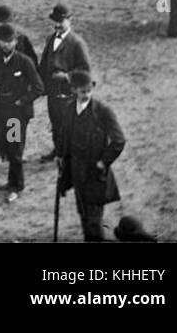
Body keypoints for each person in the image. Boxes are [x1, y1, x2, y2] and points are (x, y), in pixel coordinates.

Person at [57, 70, 125, 241]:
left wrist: (103, 162)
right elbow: (64, 135)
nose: (86, 94)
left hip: (95, 172)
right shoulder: (68, 109)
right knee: (83, 212)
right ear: (73, 90)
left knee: (94, 218)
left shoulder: (102, 111)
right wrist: (61, 156)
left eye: (89, 90)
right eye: (82, 91)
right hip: (75, 169)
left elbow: (119, 140)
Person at [0, 24, 44, 201]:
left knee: (15, 150)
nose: (6, 45)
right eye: (3, 41)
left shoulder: (24, 62)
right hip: (0, 112)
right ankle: (11, 181)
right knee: (7, 148)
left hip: (15, 116)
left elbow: (38, 88)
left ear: (16, 41)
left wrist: (21, 101)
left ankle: (17, 186)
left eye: (9, 41)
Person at [37, 4, 90, 161]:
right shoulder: (51, 39)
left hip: (69, 93)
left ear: (70, 20)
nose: (58, 25)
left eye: (61, 21)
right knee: (55, 124)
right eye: (55, 21)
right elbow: (44, 63)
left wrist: (67, 76)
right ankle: (59, 151)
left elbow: (85, 70)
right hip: (53, 91)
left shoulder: (77, 43)